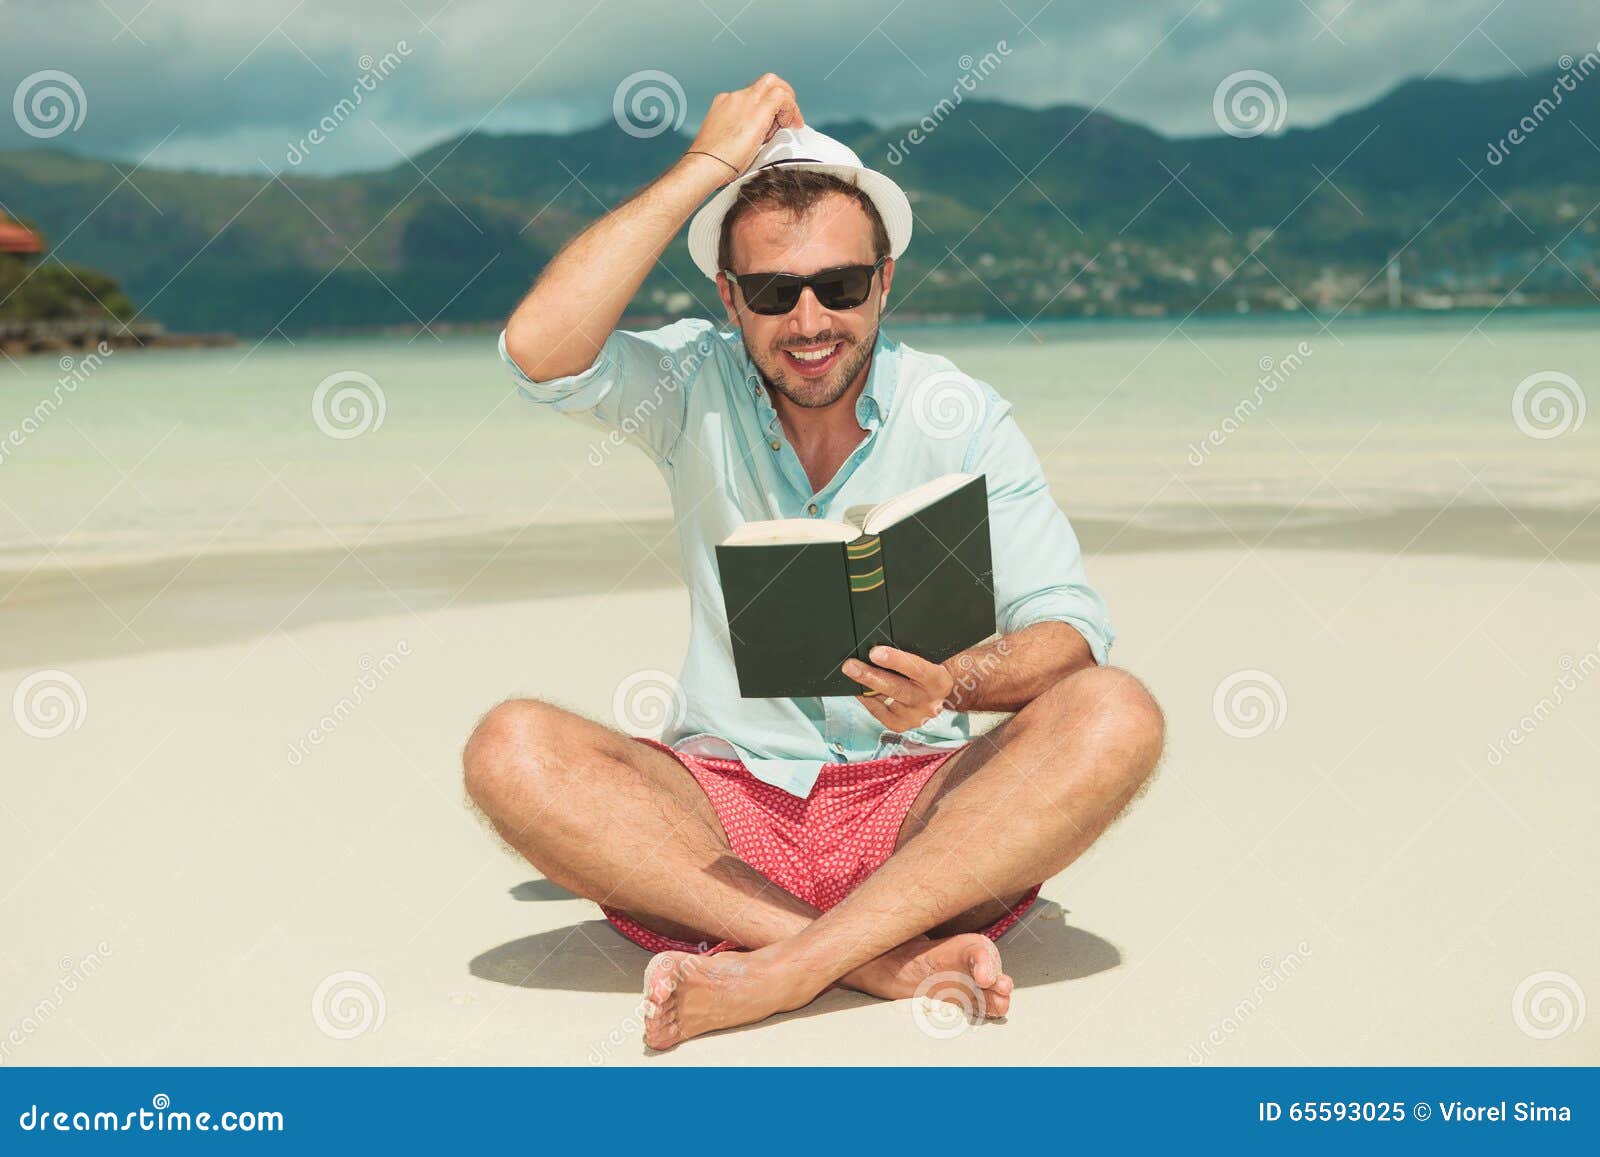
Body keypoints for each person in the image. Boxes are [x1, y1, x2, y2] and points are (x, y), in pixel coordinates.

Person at [465, 73, 1164, 1050]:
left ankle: (784, 968)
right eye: (770, 291)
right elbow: (538, 350)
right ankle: (869, 959)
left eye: (839, 285)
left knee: (1116, 711)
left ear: (883, 280)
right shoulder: (689, 384)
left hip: (919, 815)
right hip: (720, 811)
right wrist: (706, 165)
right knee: (509, 746)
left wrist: (952, 682)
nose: (808, 322)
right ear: (728, 296)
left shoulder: (958, 411)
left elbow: (1069, 632)